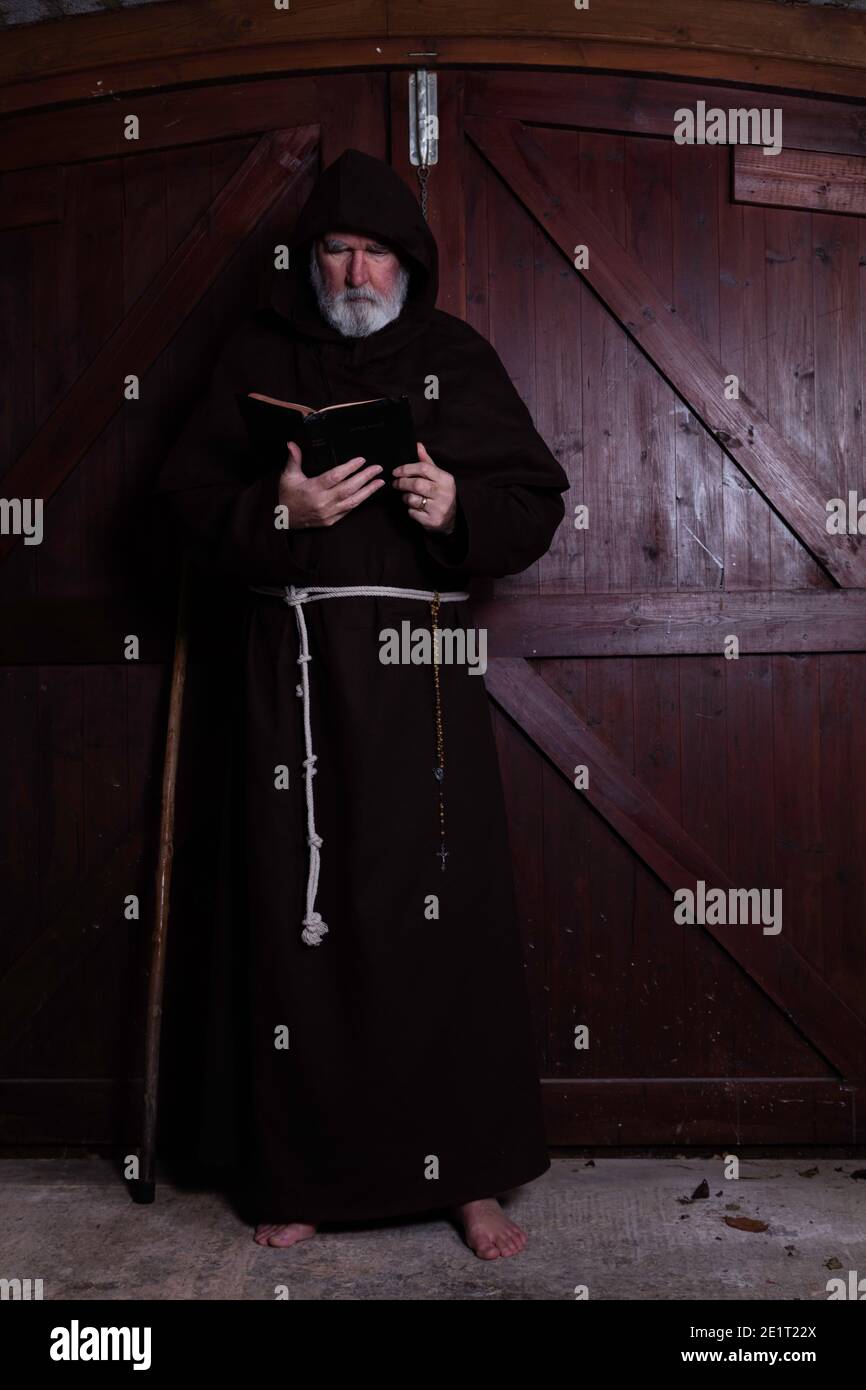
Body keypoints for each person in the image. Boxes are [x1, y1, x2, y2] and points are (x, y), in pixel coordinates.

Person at [155, 148, 570, 1260]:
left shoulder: (453, 356)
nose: (352, 268)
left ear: (408, 263)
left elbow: (534, 501)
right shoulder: (254, 353)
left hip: (415, 671)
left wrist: (453, 502)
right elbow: (182, 503)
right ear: (311, 262)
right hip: (286, 672)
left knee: (438, 922)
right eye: (336, 247)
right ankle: (302, 1175)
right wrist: (277, 511)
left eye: (375, 249)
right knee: (300, 919)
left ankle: (469, 1178)